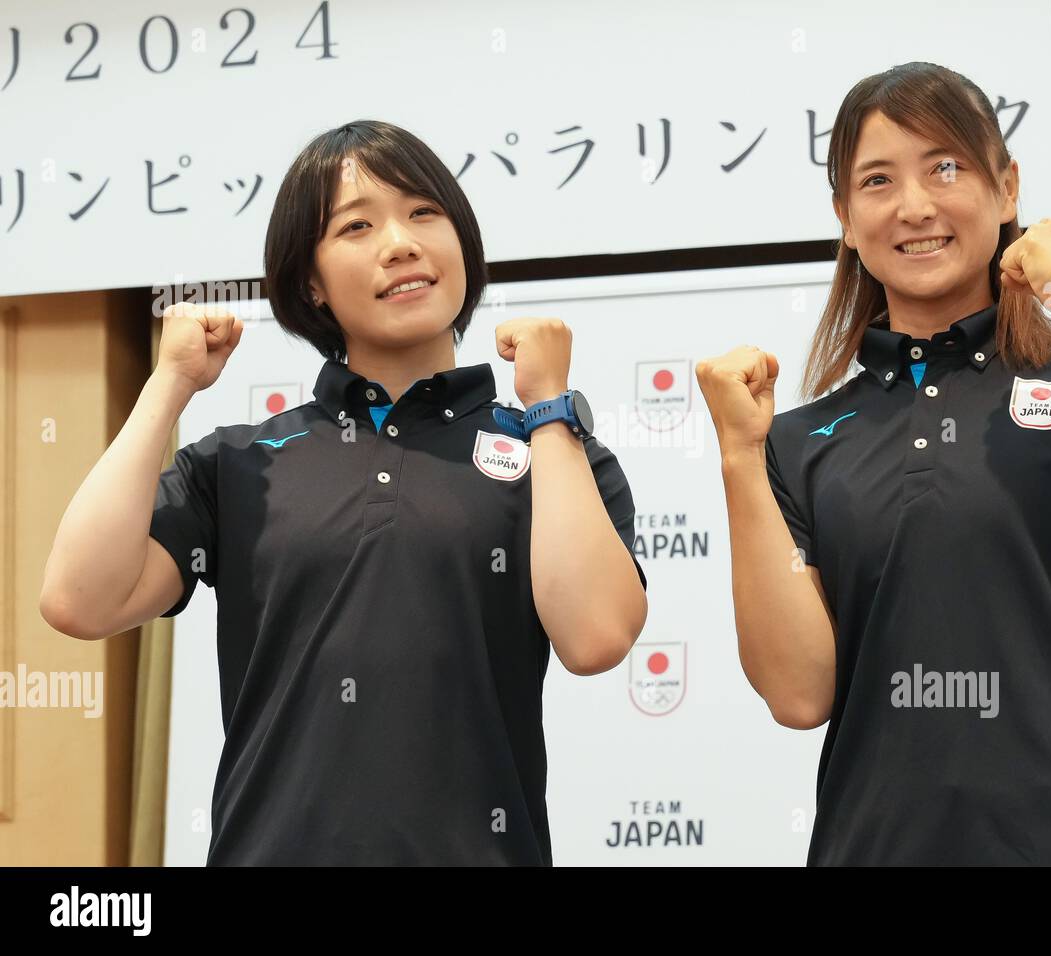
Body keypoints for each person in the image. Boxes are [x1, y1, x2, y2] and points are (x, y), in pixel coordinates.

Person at [694, 62, 1051, 865]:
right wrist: (738, 456)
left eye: (946, 167)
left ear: (1007, 191)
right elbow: (798, 694)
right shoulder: (800, 439)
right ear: (845, 218)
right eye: (877, 180)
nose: (916, 205)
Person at [40, 120, 648, 865]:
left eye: (425, 212)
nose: (400, 242)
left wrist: (551, 408)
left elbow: (597, 640)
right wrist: (168, 386)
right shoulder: (241, 462)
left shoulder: (551, 455)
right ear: (311, 283)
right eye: (356, 226)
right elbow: (78, 600)